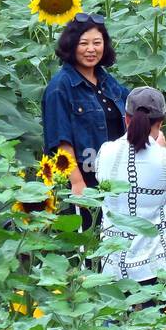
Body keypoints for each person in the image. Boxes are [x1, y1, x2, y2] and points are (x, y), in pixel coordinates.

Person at [93, 86, 166, 286]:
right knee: (162, 315)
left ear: (126, 119)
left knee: (116, 315)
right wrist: (162, 149)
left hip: (114, 261)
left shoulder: (105, 152)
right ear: (161, 122)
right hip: (158, 263)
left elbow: (99, 177)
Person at [42, 13, 130, 227]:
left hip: (112, 176)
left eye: (97, 43)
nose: (91, 49)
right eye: (84, 43)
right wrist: (77, 182)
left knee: (114, 239)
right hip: (84, 177)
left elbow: (131, 111)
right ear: (71, 46)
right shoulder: (60, 87)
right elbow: (61, 141)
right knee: (88, 243)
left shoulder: (106, 81)